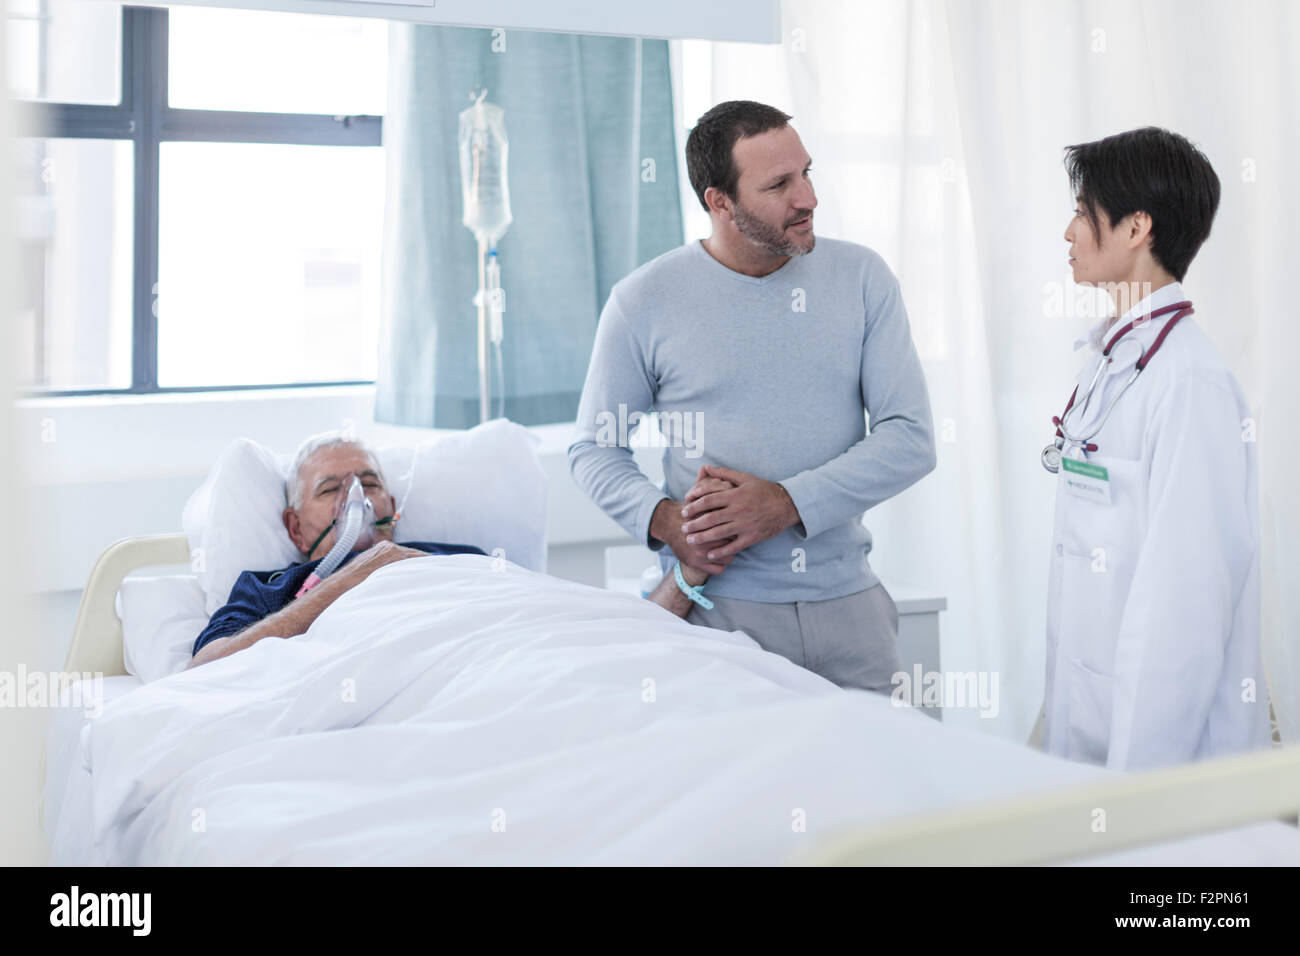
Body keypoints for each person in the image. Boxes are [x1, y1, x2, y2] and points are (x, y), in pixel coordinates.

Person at [568, 100, 936, 692]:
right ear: (720, 202)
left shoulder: (863, 278)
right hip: (718, 615)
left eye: (807, 173)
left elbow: (911, 438)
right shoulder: (644, 300)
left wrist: (787, 502)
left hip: (851, 610)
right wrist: (665, 521)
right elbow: (593, 448)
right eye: (779, 185)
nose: (808, 198)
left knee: (888, 782)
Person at [1039, 126, 1271, 769]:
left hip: (1162, 754)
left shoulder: (1190, 381)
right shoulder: (1116, 359)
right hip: (1092, 719)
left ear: (1137, 227)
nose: (1068, 234)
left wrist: (1139, 789)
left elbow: (1185, 600)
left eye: (1082, 215)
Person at [190, 433, 717, 668]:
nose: (356, 497)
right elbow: (205, 672)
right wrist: (351, 579)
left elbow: (594, 631)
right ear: (295, 527)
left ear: (391, 505)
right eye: (331, 490)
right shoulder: (267, 590)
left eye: (368, 483)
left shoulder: (459, 558)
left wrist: (690, 572)